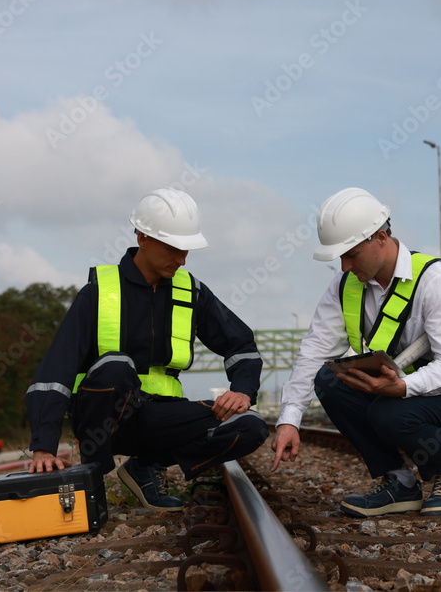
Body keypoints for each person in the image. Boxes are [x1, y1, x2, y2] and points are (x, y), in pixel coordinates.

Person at [26, 187, 268, 511]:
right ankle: (92, 483)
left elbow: (241, 343)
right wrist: (43, 445)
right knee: (116, 365)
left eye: (186, 250)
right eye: (172, 248)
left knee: (249, 425)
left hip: (162, 417)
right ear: (142, 237)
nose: (181, 259)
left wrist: (242, 389)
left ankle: (146, 467)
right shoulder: (99, 292)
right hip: (106, 420)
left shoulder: (191, 291)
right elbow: (56, 370)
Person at [271, 187, 441, 517]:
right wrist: (290, 419)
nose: (344, 266)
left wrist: (401, 388)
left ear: (380, 237)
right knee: (328, 381)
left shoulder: (436, 280)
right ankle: (399, 482)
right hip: (399, 391)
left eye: (351, 254)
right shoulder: (345, 285)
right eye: (339, 258)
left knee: (388, 414)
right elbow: (314, 350)